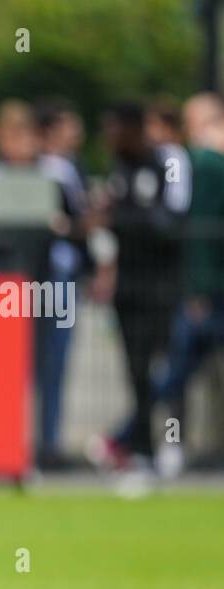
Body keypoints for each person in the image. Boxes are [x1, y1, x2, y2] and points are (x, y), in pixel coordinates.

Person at [89, 101, 190, 473]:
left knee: (167, 366)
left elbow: (171, 224)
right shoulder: (120, 170)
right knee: (135, 368)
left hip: (162, 284)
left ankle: (172, 443)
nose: (109, 138)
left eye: (114, 129)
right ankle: (143, 449)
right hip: (129, 285)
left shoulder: (169, 163)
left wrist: (119, 219)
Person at [149, 93, 224, 477]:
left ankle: (145, 437)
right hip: (208, 289)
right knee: (181, 369)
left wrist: (197, 287)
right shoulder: (201, 163)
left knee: (178, 370)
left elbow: (199, 233)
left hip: (207, 289)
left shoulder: (203, 163)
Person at [33, 97, 92, 470]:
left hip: (49, 281)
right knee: (50, 362)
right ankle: (44, 443)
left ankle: (46, 442)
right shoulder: (59, 171)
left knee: (50, 363)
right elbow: (81, 223)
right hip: (50, 280)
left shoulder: (69, 169)